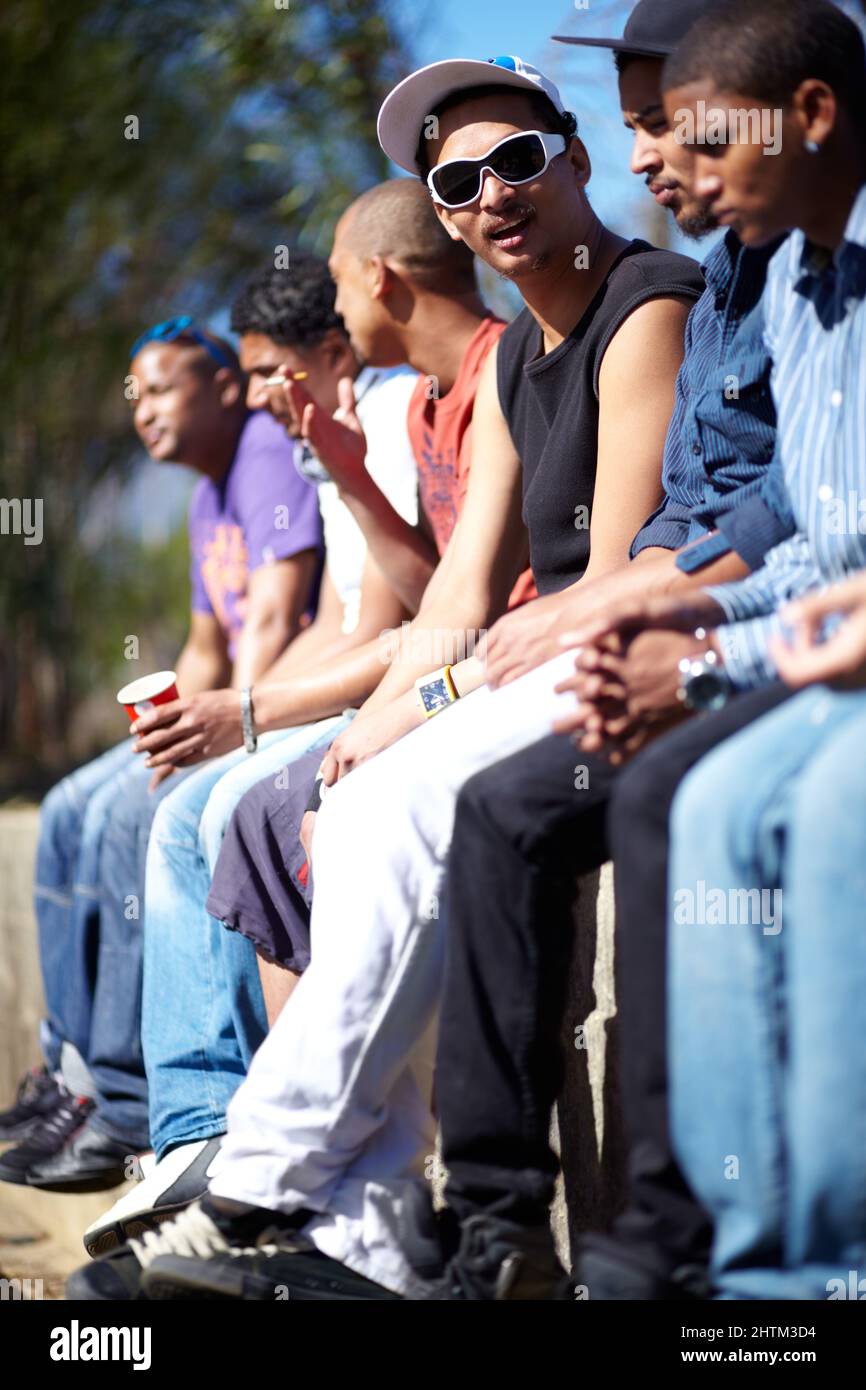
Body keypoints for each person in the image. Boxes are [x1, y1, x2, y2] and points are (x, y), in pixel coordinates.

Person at [66, 52, 704, 1300]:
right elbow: (459, 597)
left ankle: (256, 1180)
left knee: (411, 802)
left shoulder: (645, 306)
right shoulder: (524, 351)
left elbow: (612, 583)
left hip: (622, 649)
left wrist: (427, 701)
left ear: (571, 155)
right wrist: (381, 710)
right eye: (454, 180)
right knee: (341, 796)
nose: (490, 195)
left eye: (515, 160)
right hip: (525, 656)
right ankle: (360, 1234)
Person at [81, 179, 515, 1254]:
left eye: (273, 371)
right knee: (211, 804)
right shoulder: (379, 419)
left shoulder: (452, 385)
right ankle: (203, 1132)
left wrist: (257, 710)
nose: (266, 394)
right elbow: (407, 603)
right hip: (431, 676)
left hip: (479, 679)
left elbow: (437, 614)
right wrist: (245, 706)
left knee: (247, 804)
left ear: (360, 303)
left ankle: (288, 1163)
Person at [646, 0, 866, 1301]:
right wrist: (680, 616)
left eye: (702, 139)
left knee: (833, 811)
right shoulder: (792, 282)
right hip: (828, 645)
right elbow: (810, 548)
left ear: (812, 113)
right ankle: (758, 1268)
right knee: (707, 796)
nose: (680, 172)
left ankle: (840, 1262)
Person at [0, 321, 322, 1189]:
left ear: (224, 385)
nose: (143, 411)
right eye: (134, 395)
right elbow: (204, 643)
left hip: (286, 703)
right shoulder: (205, 494)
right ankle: (69, 1075)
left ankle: (122, 1102)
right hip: (229, 700)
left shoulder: (262, 454)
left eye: (163, 387)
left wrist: (213, 739)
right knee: (73, 799)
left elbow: (268, 620)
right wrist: (161, 733)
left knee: (128, 810)